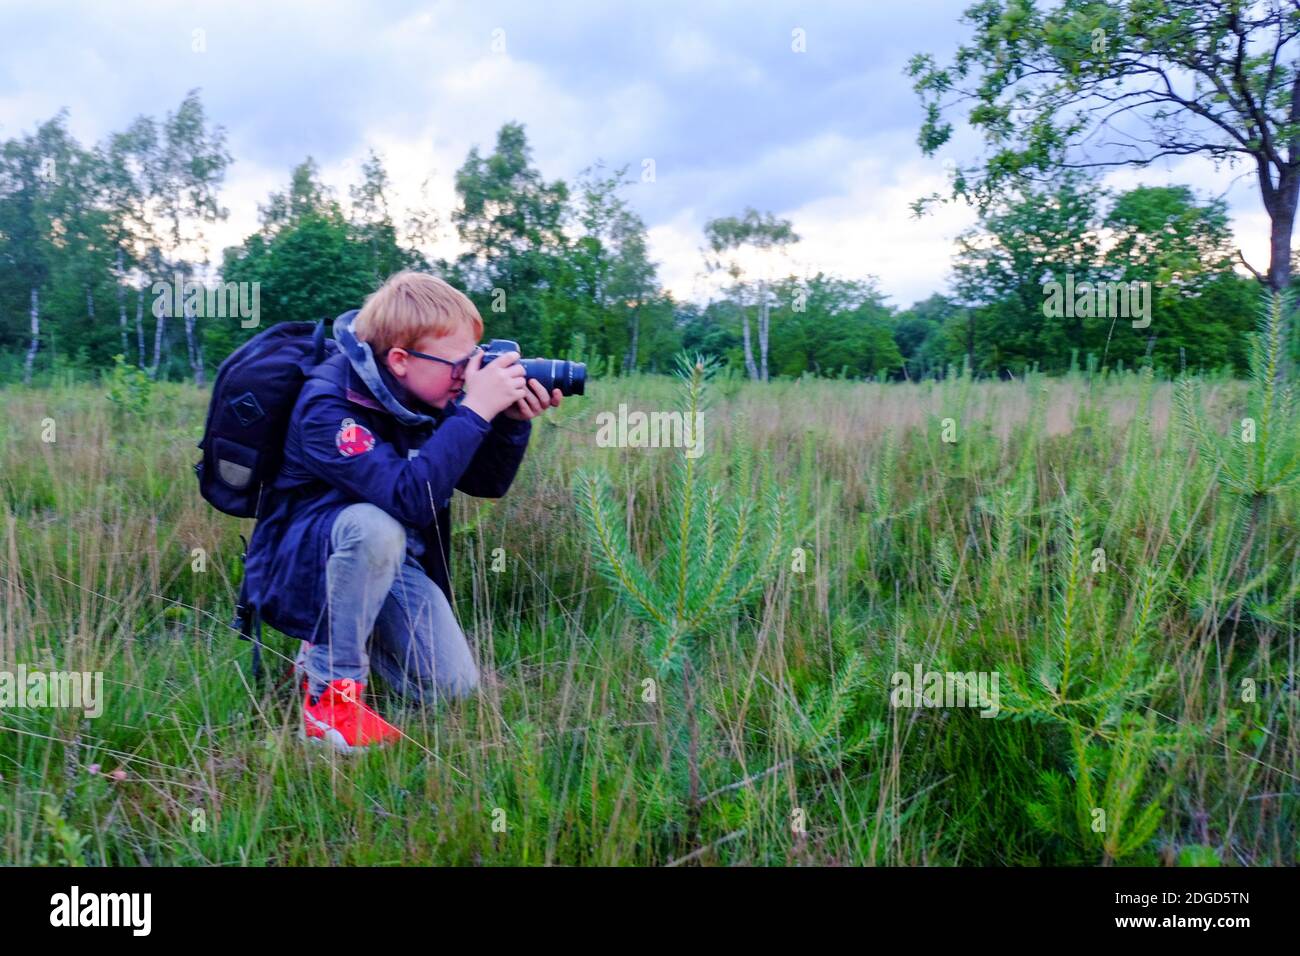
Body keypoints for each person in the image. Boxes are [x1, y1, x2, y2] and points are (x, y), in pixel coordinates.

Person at [241, 271, 562, 752]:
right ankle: (332, 698)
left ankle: (324, 650)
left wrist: (509, 422)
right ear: (400, 360)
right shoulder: (327, 406)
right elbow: (410, 497)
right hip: (310, 563)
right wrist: (474, 409)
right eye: (460, 365)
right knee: (376, 526)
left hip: (388, 563)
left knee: (454, 690)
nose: (468, 375)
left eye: (475, 361)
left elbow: (484, 482)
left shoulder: (424, 393)